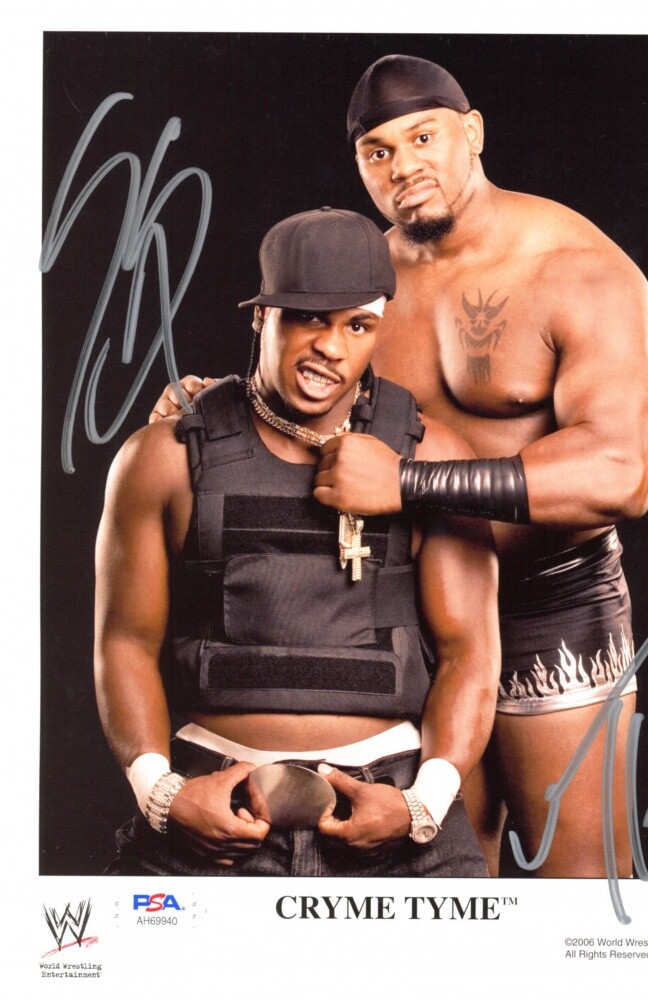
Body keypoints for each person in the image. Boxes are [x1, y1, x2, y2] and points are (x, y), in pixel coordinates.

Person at [151, 55, 648, 878]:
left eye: (424, 138)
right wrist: (223, 400)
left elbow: (621, 472)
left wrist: (408, 484)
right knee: (446, 872)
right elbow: (313, 382)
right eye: (378, 151)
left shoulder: (579, 270)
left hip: (548, 603)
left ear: (473, 133)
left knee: (580, 888)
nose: (403, 166)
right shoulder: (369, 284)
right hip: (414, 607)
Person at [96, 207, 500, 877]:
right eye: (309, 318)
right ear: (262, 316)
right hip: (211, 800)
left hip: (392, 802)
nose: (331, 348)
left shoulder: (431, 458)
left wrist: (421, 808)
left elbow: (471, 653)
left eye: (357, 325)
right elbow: (125, 642)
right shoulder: (164, 458)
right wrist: (161, 795)